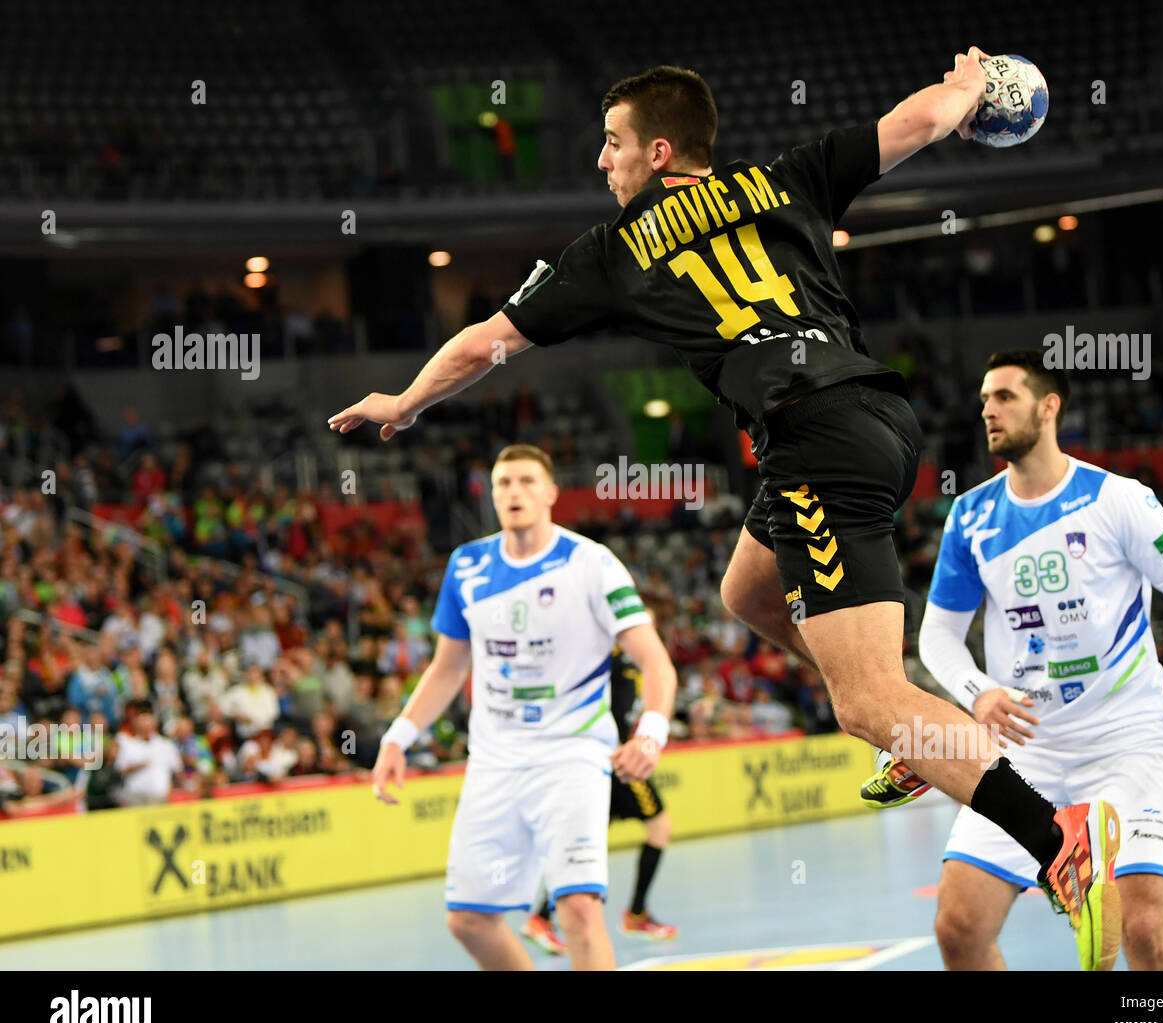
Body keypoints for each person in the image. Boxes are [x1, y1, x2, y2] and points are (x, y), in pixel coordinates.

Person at [331, 56, 1120, 967]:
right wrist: (973, 85)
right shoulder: (785, 176)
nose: (603, 163)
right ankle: (918, 730)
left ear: (659, 152)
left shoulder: (615, 251)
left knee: (865, 704)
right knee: (745, 593)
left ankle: (1056, 838)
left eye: (615, 146)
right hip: (879, 422)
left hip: (815, 437)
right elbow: (918, 121)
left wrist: (404, 403)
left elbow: (484, 343)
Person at [863, 350, 1163, 970]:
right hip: (1027, 754)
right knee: (959, 927)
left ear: (1049, 407)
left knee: (1145, 931)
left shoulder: (1120, 499)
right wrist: (977, 691)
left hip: (1126, 742)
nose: (988, 409)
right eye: (985, 398)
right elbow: (937, 635)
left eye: (1006, 397)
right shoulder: (971, 515)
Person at [369, 445, 677, 971]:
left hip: (573, 755)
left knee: (578, 908)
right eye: (503, 483)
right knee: (467, 921)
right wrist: (398, 737)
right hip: (495, 761)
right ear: (492, 496)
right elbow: (447, 668)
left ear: (551, 492)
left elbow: (655, 661)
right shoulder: (467, 566)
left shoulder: (593, 563)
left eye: (527, 481)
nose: (515, 492)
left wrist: (651, 733)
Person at [522, 643, 677, 956]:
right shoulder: (602, 655)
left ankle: (540, 918)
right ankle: (635, 914)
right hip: (618, 760)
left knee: (586, 843)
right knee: (659, 828)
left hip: (604, 758)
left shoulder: (624, 656)